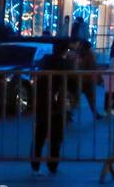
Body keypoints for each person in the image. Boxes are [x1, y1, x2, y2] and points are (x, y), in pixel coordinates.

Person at [31, 40, 75, 173]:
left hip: (43, 101)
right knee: (56, 136)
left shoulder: (45, 61)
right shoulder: (65, 64)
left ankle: (35, 162)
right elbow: (71, 83)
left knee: (40, 134)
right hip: (57, 103)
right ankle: (53, 164)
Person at [76, 40, 103, 120]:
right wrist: (99, 79)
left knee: (74, 96)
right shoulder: (89, 55)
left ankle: (67, 114)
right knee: (91, 98)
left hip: (80, 79)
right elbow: (94, 68)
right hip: (88, 80)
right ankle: (95, 114)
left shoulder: (79, 54)